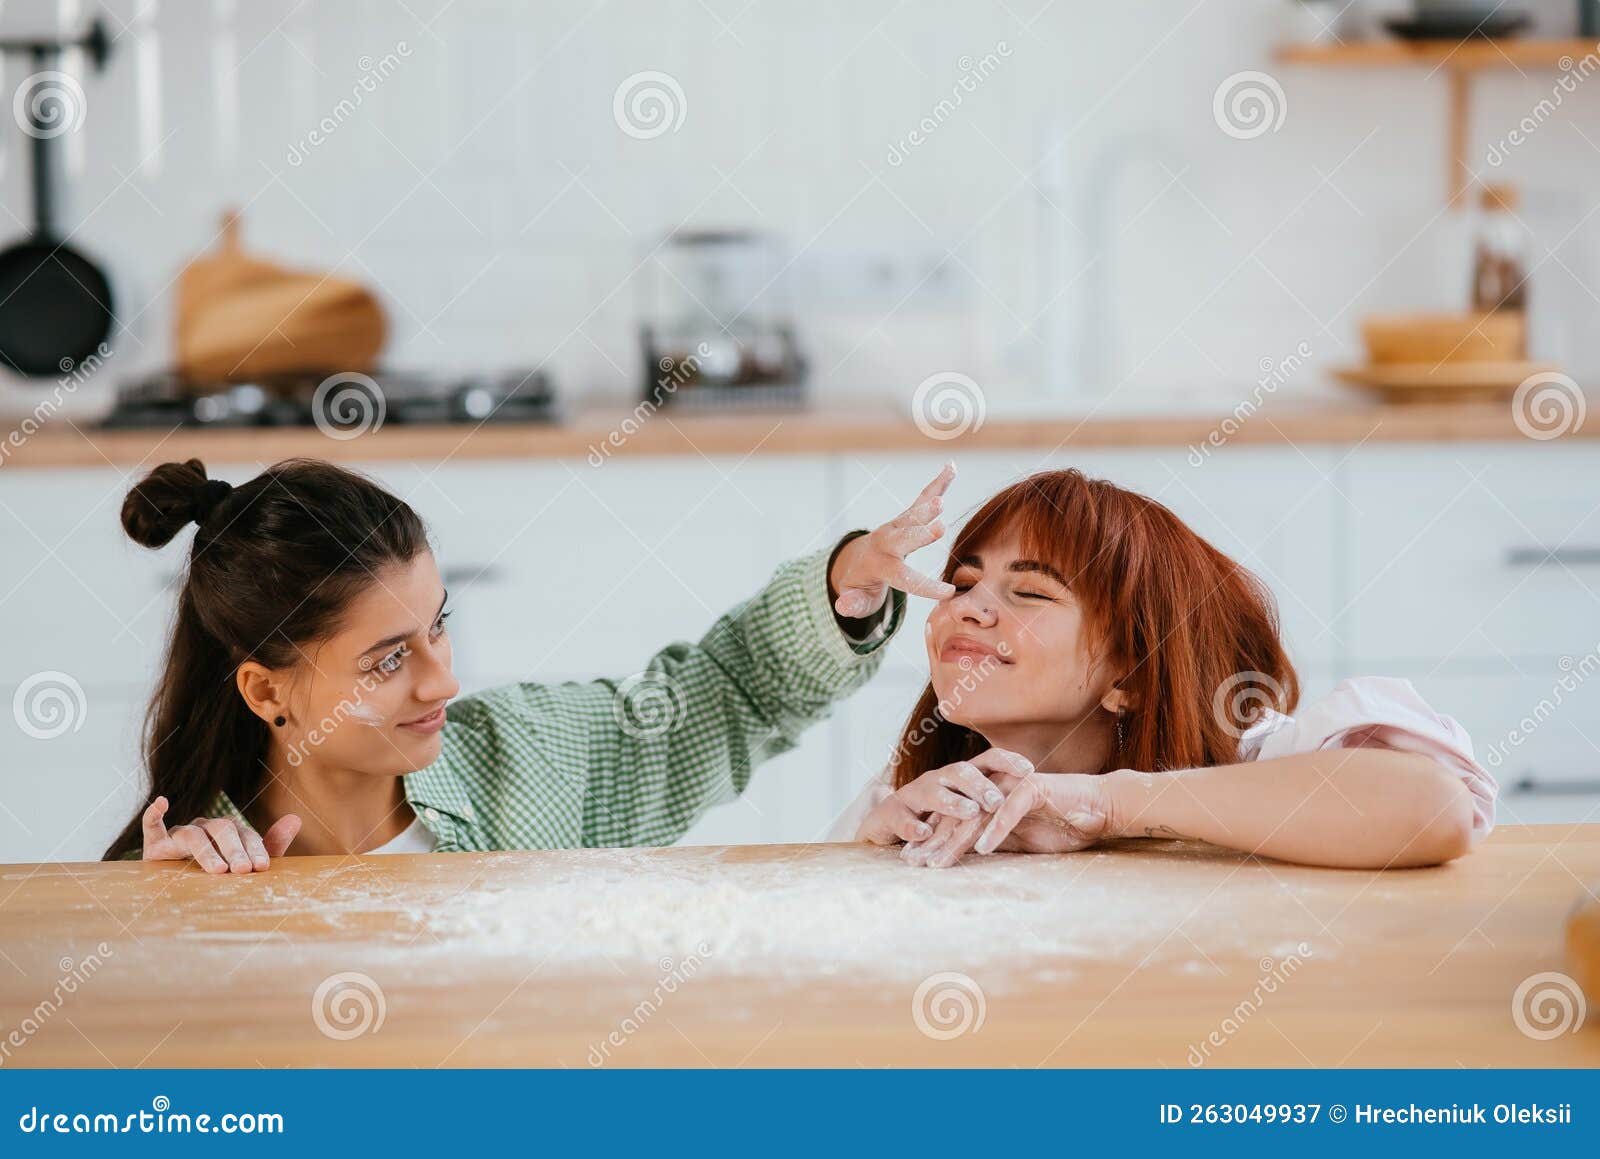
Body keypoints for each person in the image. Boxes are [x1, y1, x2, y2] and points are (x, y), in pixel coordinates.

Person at [105, 457, 958, 870]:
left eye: (439, 627)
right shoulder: (191, 869)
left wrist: (842, 587)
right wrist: (156, 929)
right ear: (264, 689)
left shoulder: (533, 762)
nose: (443, 681)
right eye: (387, 659)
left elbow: (721, 694)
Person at [833, 468, 1495, 870]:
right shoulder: (923, 792)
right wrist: (870, 846)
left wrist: (1105, 804)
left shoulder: (1255, 763)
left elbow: (1436, 807)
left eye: (1029, 592)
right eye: (963, 582)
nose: (969, 608)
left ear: (1133, 677)